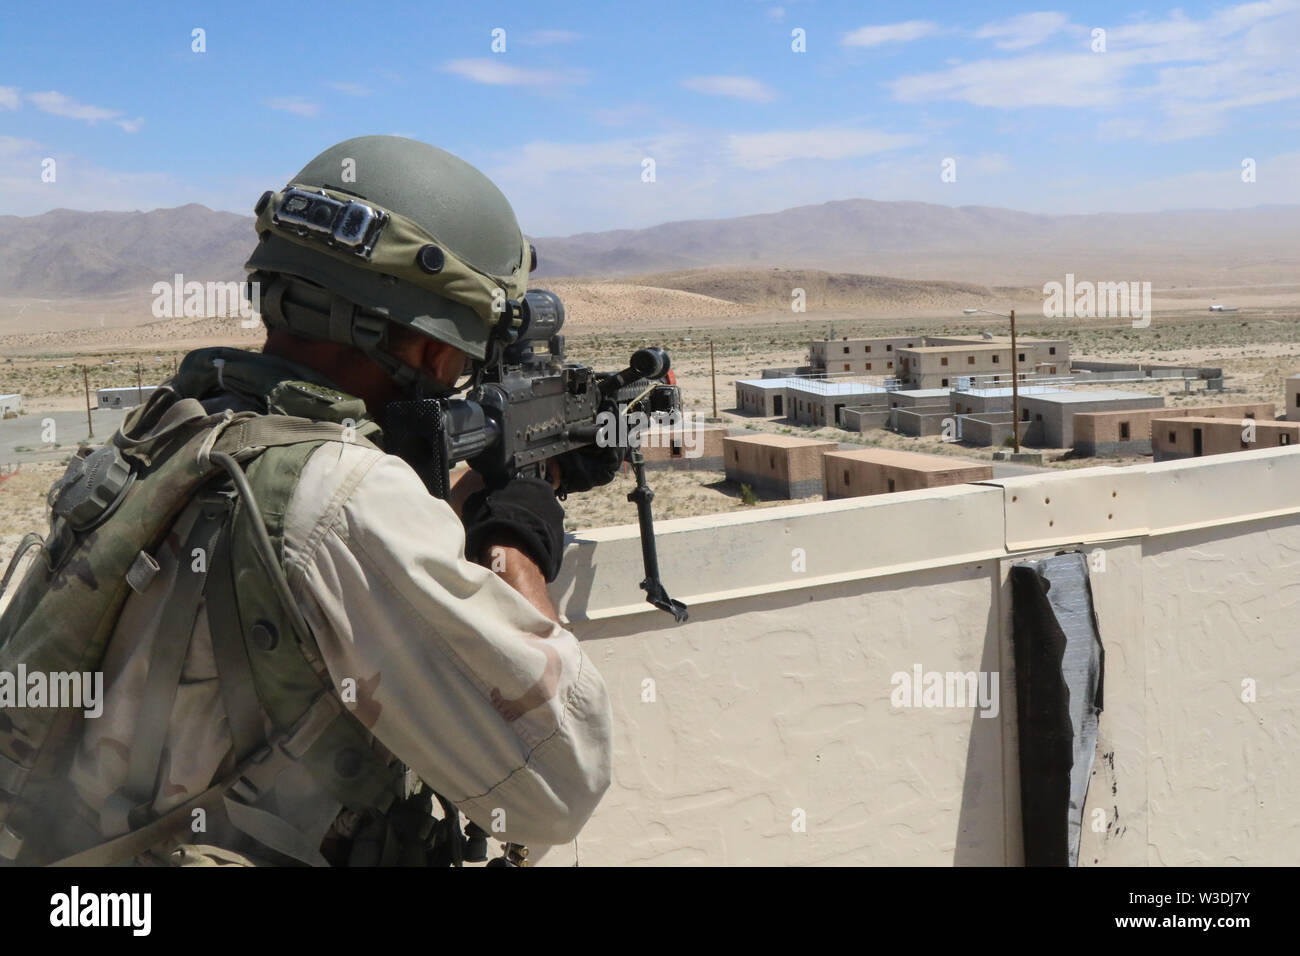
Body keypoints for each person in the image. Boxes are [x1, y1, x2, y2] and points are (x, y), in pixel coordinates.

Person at [39, 136, 614, 866]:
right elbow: (559, 782)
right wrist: (517, 531)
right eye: (465, 356)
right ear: (437, 350)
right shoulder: (344, 498)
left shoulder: (171, 433)